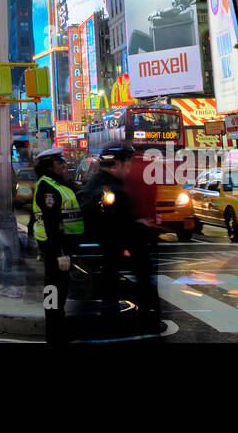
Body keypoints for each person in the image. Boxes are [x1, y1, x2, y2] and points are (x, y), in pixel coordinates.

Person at [78, 146, 137, 318]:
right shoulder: (108, 187)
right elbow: (113, 220)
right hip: (105, 251)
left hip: (102, 251)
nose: (129, 169)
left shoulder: (100, 182)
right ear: (118, 164)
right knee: (107, 293)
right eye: (128, 164)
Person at [32, 147, 83, 344]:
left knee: (60, 291)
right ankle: (53, 333)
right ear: (49, 165)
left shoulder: (60, 183)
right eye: (59, 161)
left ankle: (57, 329)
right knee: (53, 290)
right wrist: (59, 253)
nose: (64, 164)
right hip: (54, 250)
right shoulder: (47, 187)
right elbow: (51, 223)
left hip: (63, 249)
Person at [114, 148, 162, 334]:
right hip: (150, 229)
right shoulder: (151, 167)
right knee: (149, 276)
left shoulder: (127, 169)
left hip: (134, 231)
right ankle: (152, 313)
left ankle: (144, 315)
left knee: (137, 276)